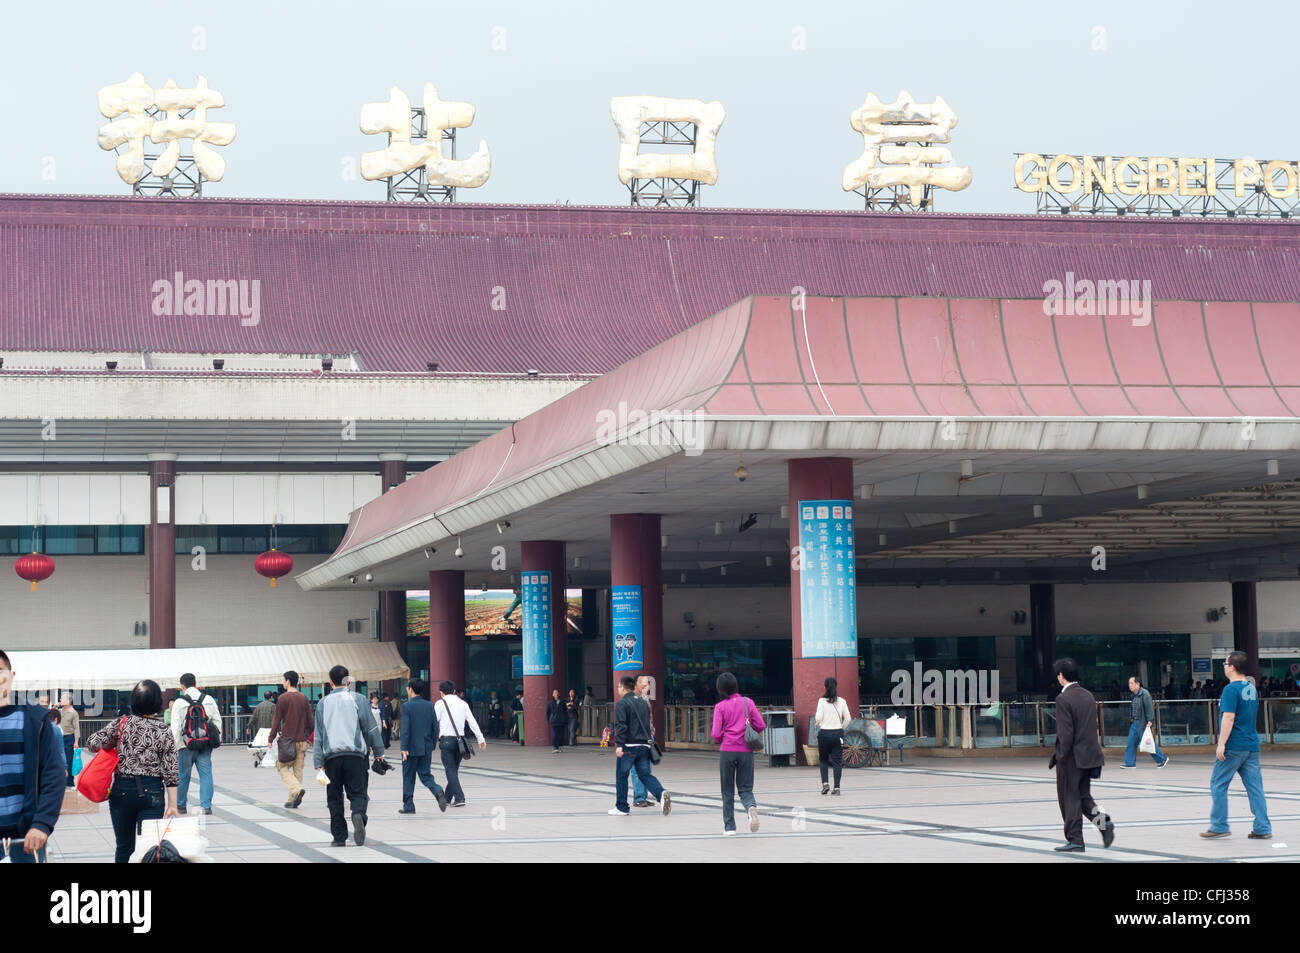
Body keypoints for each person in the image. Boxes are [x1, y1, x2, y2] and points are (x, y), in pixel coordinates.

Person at [86, 679, 179, 864]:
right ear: (157, 703)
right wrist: (173, 804)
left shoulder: (122, 723)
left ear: (134, 701)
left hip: (122, 790)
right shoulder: (164, 730)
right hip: (152, 793)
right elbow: (171, 771)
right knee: (149, 847)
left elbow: (92, 743)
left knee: (124, 847)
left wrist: (113, 742)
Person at [0, 650, 65, 862]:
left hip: (25, 839)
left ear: (12, 676)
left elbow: (53, 776)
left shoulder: (34, 721)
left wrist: (42, 824)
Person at [314, 664, 387, 847]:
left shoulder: (323, 703)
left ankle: (339, 837)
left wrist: (318, 762)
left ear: (330, 682)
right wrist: (379, 752)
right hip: (356, 756)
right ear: (348, 681)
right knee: (358, 793)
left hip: (331, 758)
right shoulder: (359, 699)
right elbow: (370, 728)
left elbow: (319, 735)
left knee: (334, 797)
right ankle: (358, 814)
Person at [1202, 651, 1272, 840]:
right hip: (1251, 744)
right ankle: (1263, 827)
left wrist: (1221, 744)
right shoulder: (1251, 689)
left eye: (1225, 663)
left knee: (1218, 784)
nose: (1224, 666)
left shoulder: (1230, 690)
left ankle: (1219, 825)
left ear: (1232, 667)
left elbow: (1229, 717)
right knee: (1255, 787)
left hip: (1234, 745)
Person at [1049, 658, 1114, 853]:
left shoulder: (1063, 699)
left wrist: (1060, 756)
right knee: (1083, 796)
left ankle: (1075, 840)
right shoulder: (1087, 695)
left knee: (1069, 799)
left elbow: (1065, 734)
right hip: (1090, 755)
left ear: (1061, 676)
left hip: (1072, 759)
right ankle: (1104, 824)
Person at [608, 675, 671, 818]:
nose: (618, 689)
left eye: (618, 686)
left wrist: (619, 744)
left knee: (622, 776)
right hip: (644, 745)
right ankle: (661, 794)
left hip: (629, 746)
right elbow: (648, 724)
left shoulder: (622, 703)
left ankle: (622, 807)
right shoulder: (643, 702)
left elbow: (621, 725)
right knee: (645, 774)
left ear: (623, 688)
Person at [710, 671, 763, 835]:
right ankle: (751, 807)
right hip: (746, 751)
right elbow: (760, 725)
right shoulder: (748, 702)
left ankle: (730, 827)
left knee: (727, 790)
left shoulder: (720, 707)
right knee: (745, 789)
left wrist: (726, 734)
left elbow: (715, 734)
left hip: (727, 751)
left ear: (720, 689)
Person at [170, 673, 221, 816]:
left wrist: (174, 746)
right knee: (206, 774)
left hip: (185, 745)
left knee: (183, 775)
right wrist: (214, 740)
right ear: (196, 683)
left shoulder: (179, 703)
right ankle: (206, 806)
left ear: (182, 686)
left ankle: (181, 805)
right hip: (205, 744)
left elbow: (175, 727)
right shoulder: (209, 699)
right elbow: (217, 721)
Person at [398, 678, 447, 814]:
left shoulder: (407, 706)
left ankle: (409, 805)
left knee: (408, 776)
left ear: (411, 689)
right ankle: (437, 789)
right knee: (425, 775)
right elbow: (434, 727)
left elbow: (406, 729)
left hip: (411, 749)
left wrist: (404, 748)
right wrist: (431, 744)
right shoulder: (429, 705)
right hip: (426, 747)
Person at [434, 681, 486, 807]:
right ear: (454, 691)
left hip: (446, 741)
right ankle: (447, 798)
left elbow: (433, 722)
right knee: (453, 771)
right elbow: (472, 721)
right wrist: (480, 738)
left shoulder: (440, 703)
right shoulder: (463, 704)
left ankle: (460, 797)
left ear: (441, 692)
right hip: (460, 741)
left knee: (450, 770)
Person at [267, 670, 314, 809]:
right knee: (298, 770)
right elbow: (310, 721)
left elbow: (276, 721)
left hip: (288, 741)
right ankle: (292, 799)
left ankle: (296, 789)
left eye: (283, 680)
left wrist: (270, 738)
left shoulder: (282, 698)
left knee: (281, 766)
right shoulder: (303, 698)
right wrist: (312, 737)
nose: (283, 683)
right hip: (302, 741)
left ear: (288, 681)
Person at [814, 676, 851, 795]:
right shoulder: (842, 701)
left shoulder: (821, 701)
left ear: (824, 687)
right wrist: (841, 727)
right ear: (836, 686)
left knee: (823, 760)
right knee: (837, 762)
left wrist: (818, 722)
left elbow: (818, 718)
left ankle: (825, 784)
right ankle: (837, 788)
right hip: (838, 734)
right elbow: (848, 718)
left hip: (824, 733)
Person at [1123, 675, 1168, 769]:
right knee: (1130, 742)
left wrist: (1150, 720)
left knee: (1148, 743)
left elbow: (1149, 708)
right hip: (1134, 722)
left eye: (1131, 683)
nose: (1130, 685)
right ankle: (1129, 763)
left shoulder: (1145, 694)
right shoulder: (1134, 695)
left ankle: (1162, 759)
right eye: (1129, 683)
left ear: (1138, 684)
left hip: (1142, 723)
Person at [631, 675, 657, 807]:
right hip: (636, 738)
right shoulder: (631, 699)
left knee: (646, 768)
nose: (647, 685)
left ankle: (643, 796)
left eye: (647, 683)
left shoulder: (645, 698)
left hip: (647, 737)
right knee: (636, 769)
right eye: (644, 683)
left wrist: (652, 730)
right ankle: (639, 797)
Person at [58, 693, 79, 788]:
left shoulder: (73, 712)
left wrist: (76, 741)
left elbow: (76, 728)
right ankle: (61, 781)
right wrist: (54, 707)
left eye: (62, 698)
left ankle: (70, 782)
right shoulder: (59, 711)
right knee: (60, 760)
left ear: (69, 700)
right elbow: (49, 715)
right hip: (59, 738)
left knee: (69, 760)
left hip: (69, 738)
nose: (60, 699)